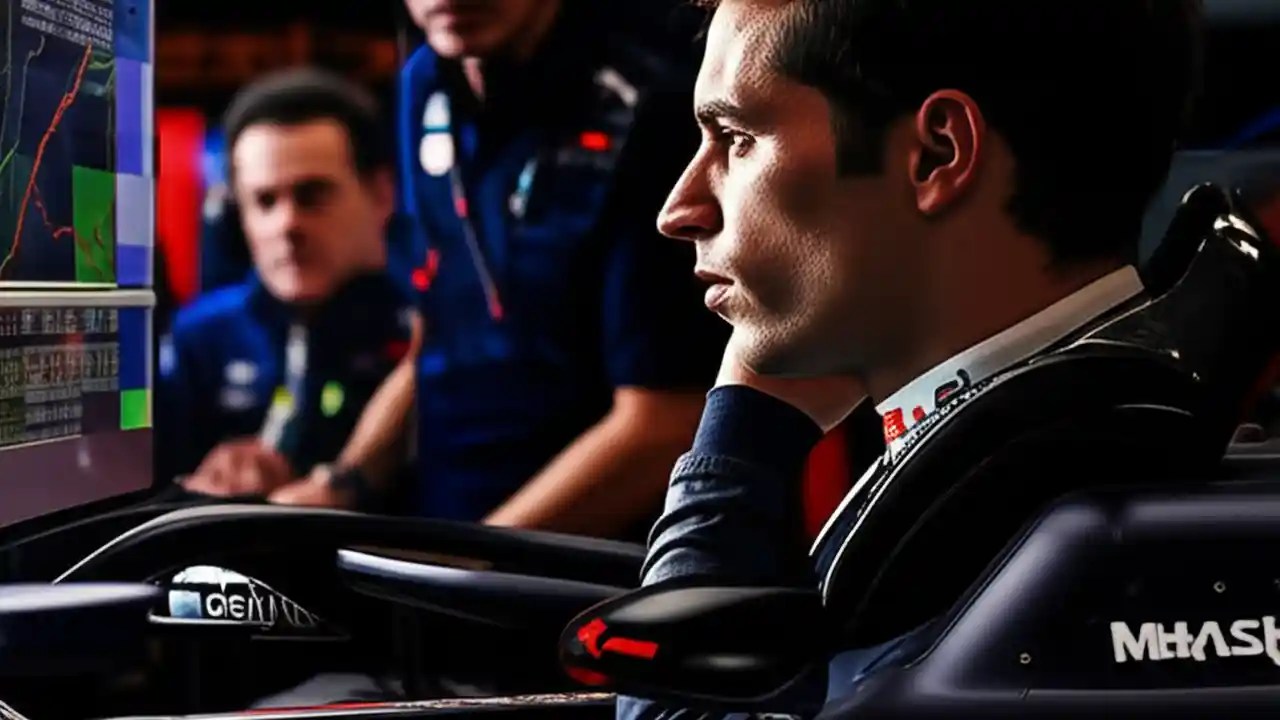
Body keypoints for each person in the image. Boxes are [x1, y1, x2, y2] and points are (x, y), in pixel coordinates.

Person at [618, 0, 1203, 717]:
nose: (680, 209)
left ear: (937, 155)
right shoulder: (1067, 423)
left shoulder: (1023, 508)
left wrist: (739, 443)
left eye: (736, 138)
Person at [269, 0, 729, 540]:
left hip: (607, 573)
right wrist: (341, 483)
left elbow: (667, 422)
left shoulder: (658, 96)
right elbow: (436, 337)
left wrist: (475, 561)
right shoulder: (424, 82)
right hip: (459, 546)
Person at [157, 68, 415, 500]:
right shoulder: (198, 340)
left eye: (312, 195)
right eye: (264, 200)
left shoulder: (426, 335)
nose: (287, 223)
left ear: (382, 194)